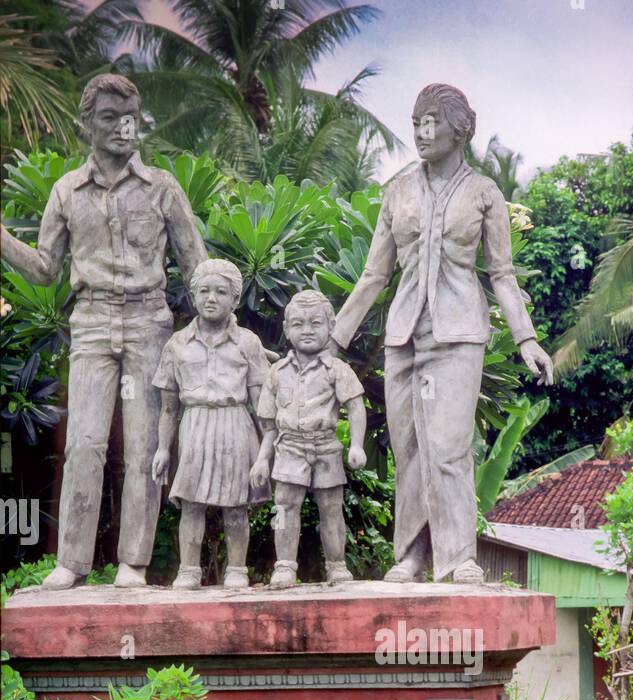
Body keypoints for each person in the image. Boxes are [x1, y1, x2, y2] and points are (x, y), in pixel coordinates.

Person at [331, 83, 553, 585]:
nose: (422, 132)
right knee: (409, 448)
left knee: (449, 446)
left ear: (459, 130)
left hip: (458, 335)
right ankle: (410, 555)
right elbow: (373, 275)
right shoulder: (398, 191)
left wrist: (526, 339)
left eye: (432, 122)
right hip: (403, 336)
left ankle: (458, 558)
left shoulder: (484, 193)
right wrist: (332, 342)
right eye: (416, 123)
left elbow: (502, 274)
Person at [0, 73, 206, 588]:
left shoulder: (163, 187)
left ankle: (133, 563)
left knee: (143, 447)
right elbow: (47, 268)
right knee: (85, 445)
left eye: (130, 116)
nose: (123, 127)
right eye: (110, 118)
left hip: (148, 323)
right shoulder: (66, 191)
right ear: (86, 124)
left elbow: (198, 266)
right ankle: (72, 562)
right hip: (91, 325)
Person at [151, 258, 271, 589]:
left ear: (235, 298)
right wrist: (163, 448)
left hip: (235, 425)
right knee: (191, 503)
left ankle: (237, 569)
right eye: (203, 291)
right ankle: (188, 569)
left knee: (236, 506)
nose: (211, 298)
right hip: (195, 426)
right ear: (193, 296)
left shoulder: (248, 342)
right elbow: (169, 407)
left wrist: (268, 448)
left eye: (221, 292)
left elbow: (262, 402)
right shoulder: (177, 344)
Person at [250, 289, 367, 587]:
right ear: (287, 329)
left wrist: (356, 445)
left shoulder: (338, 370)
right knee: (286, 506)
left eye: (316, 323)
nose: (307, 331)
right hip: (289, 446)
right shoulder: (277, 373)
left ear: (330, 328)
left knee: (331, 507)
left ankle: (337, 565)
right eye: (299, 324)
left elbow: (355, 407)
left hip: (326, 446)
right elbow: (270, 426)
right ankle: (285, 565)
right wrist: (263, 458)